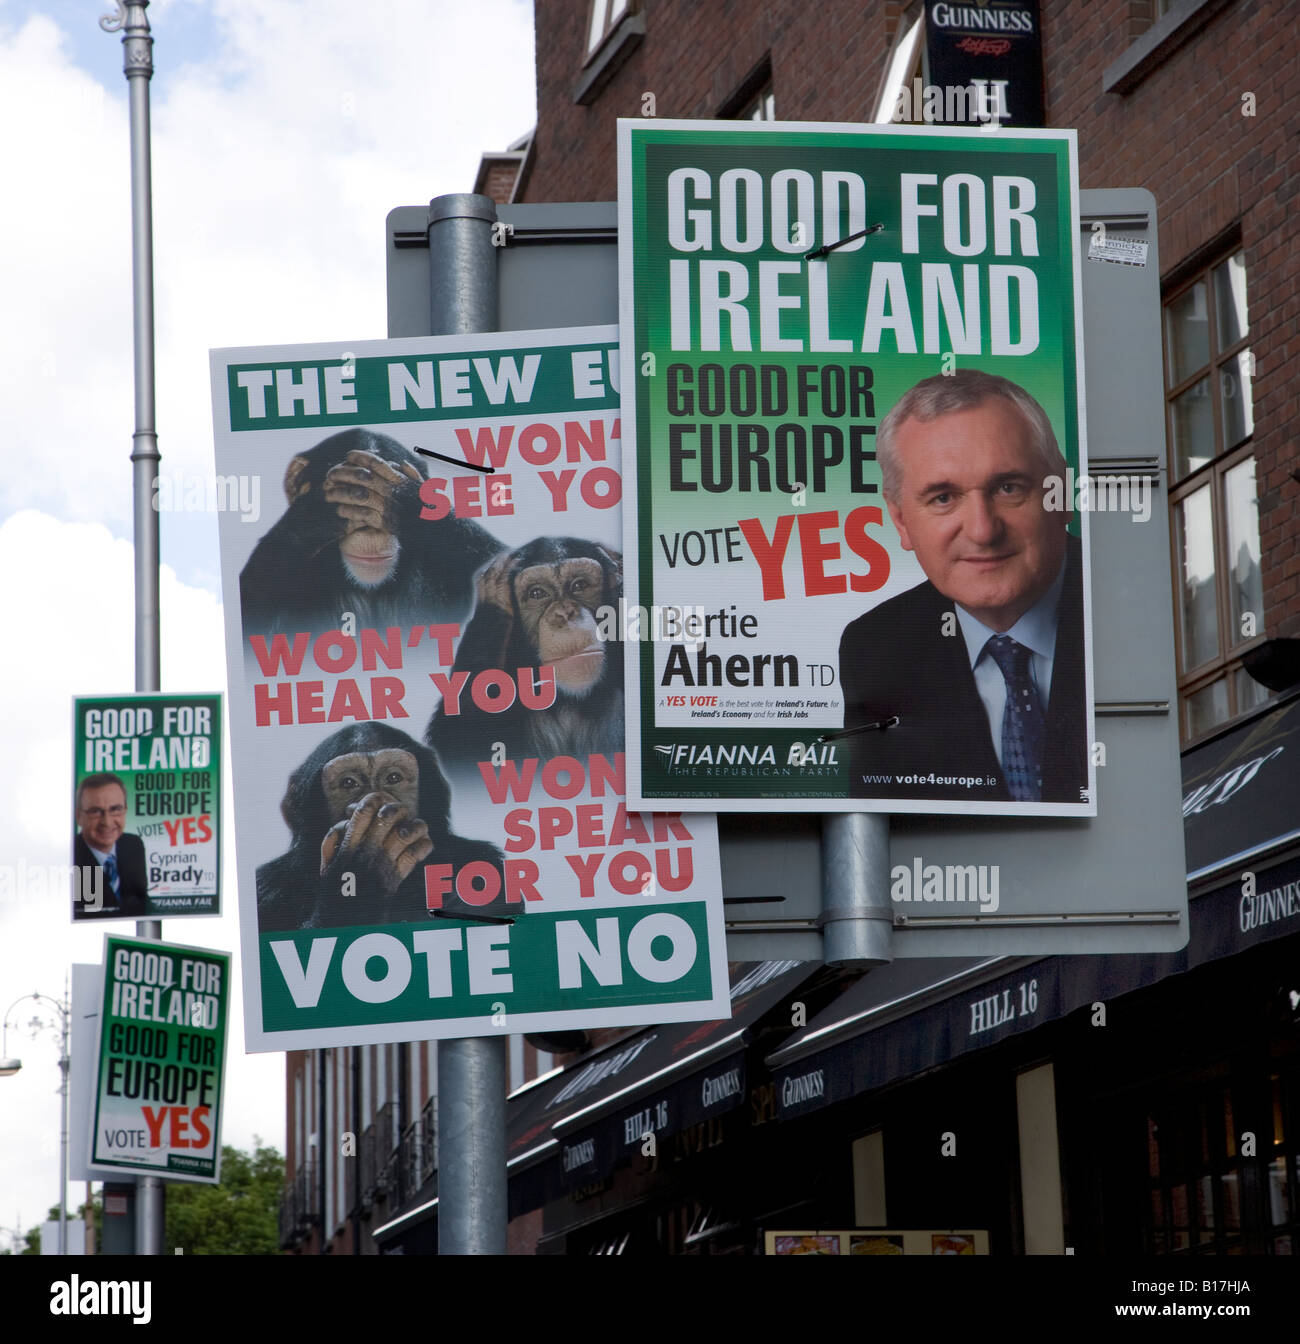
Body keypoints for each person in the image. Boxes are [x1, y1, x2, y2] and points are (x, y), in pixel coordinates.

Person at [838, 370, 1087, 804]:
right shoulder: (874, 650)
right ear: (900, 521)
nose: (982, 530)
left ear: (1060, 492)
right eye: (943, 498)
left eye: (1008, 488)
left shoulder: (1129, 604)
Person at [73, 773, 149, 918]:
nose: (107, 822)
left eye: (115, 809)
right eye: (95, 812)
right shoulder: (72, 855)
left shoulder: (133, 845)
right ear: (78, 817)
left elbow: (141, 903)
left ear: (125, 811)